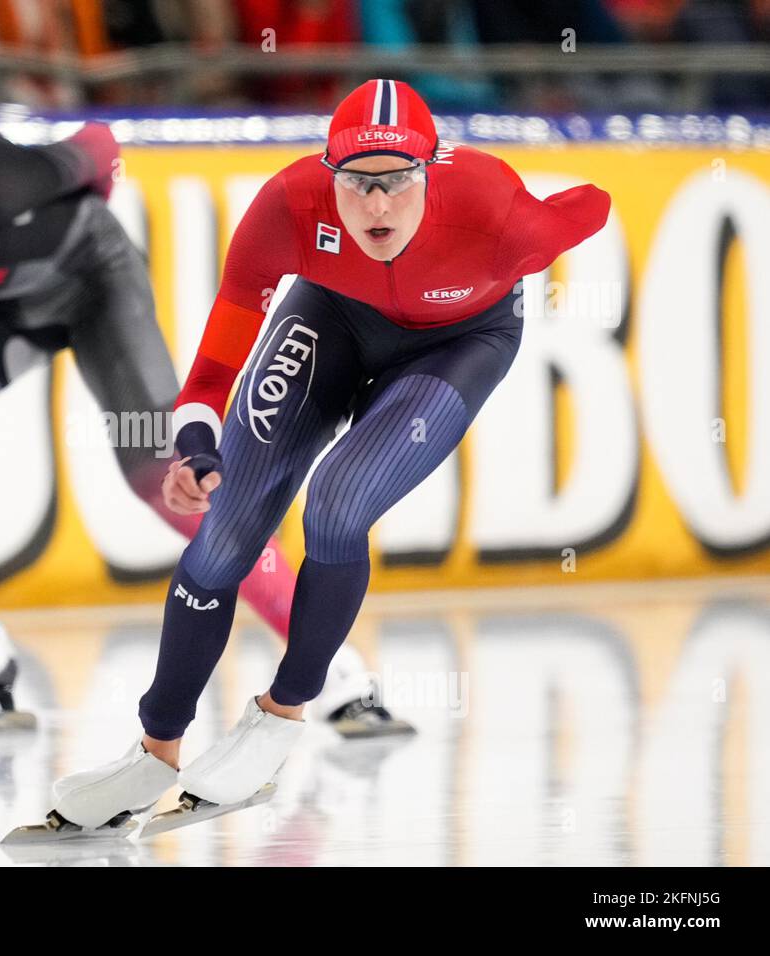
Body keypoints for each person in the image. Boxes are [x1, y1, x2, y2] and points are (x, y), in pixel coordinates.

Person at [32, 78, 611, 835]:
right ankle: (154, 752)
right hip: (334, 314)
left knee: (338, 501)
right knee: (225, 530)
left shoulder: (499, 217)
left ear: (431, 170)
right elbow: (214, 364)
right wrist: (195, 444)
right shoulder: (286, 206)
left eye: (397, 182)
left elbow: (590, 205)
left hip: (461, 341)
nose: (376, 206)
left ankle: (279, 718)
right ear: (326, 172)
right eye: (357, 183)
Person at [0, 82, 395, 731]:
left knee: (163, 478)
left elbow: (100, 148)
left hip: (94, 280)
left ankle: (331, 665)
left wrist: (62, 230)